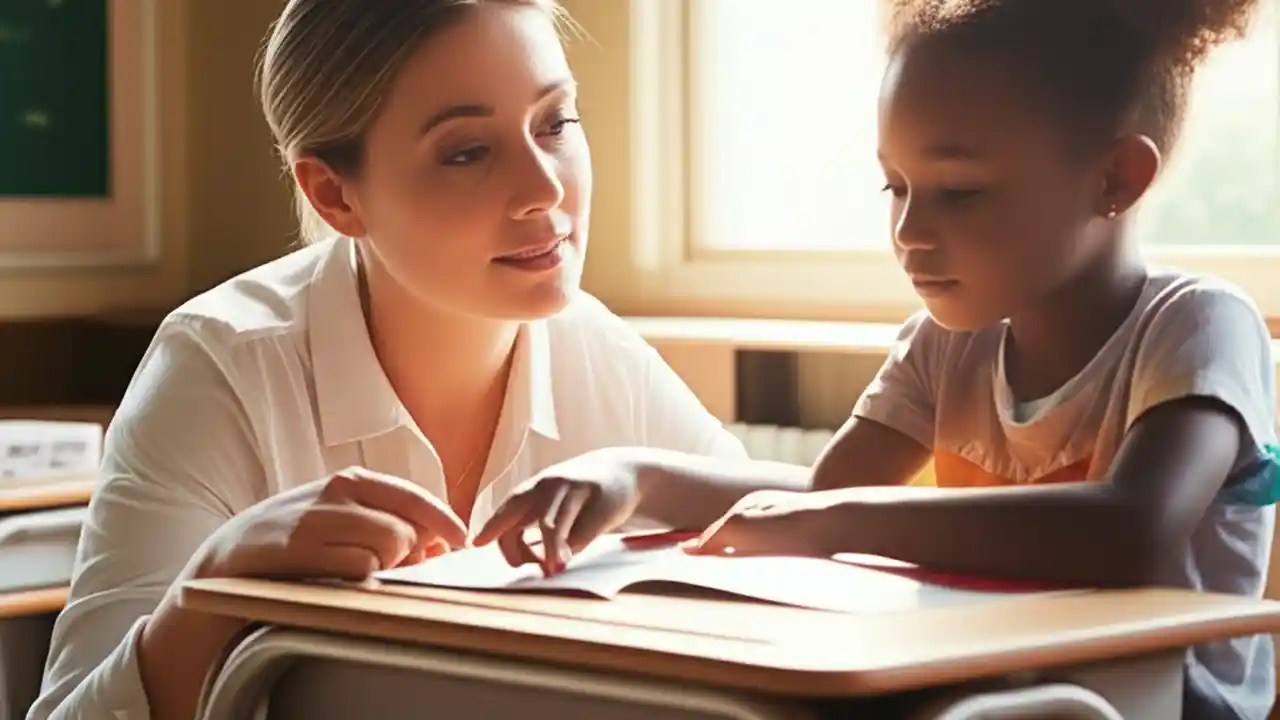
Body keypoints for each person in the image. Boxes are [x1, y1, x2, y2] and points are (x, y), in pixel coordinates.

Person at [480, 0, 1277, 717]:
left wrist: (834, 522)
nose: (908, 233)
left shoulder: (1198, 328)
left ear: (1114, 177)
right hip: (985, 681)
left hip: (1157, 703)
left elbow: (1129, 534)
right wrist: (636, 477)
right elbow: (826, 495)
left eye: (959, 193)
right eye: (895, 188)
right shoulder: (947, 342)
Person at [29, 2, 808, 718]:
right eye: (468, 152)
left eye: (556, 121)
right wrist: (215, 585)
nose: (545, 190)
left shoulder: (605, 360)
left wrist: (656, 480)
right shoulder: (222, 369)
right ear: (336, 196)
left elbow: (820, 526)